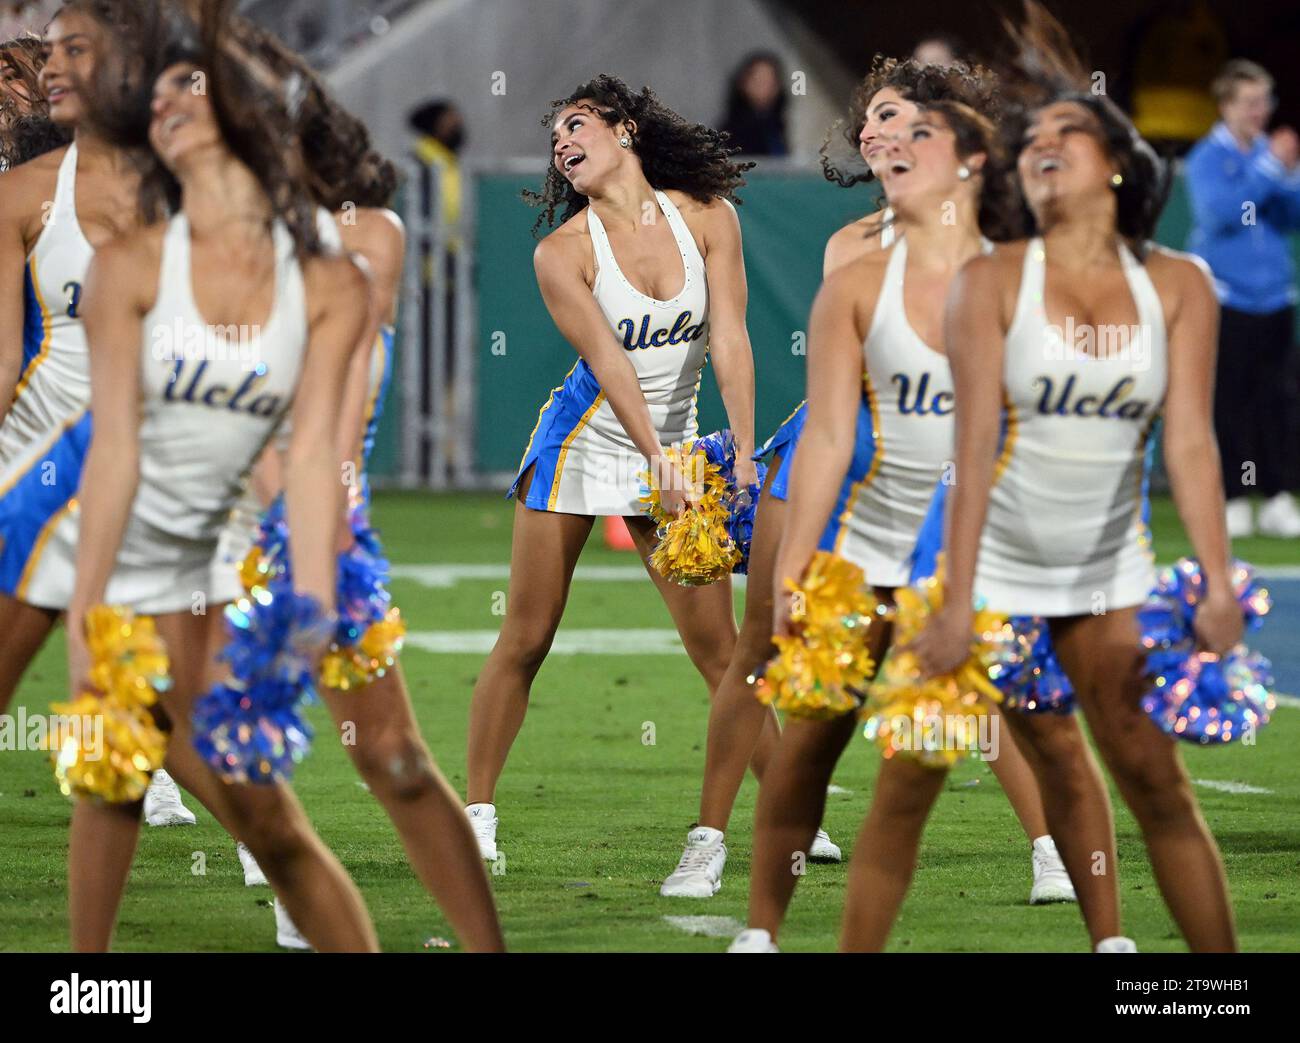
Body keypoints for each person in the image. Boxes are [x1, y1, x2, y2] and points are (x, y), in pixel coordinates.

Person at [697, 57, 1076, 915]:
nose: (870, 131)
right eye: (867, 119)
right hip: (836, 458)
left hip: (946, 474)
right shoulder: (848, 245)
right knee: (763, 644)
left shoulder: (1000, 245)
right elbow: (841, 396)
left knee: (973, 662)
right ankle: (712, 844)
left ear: (942, 134)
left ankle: (1051, 850)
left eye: (891, 116)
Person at [899, 5, 1240, 953]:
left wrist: (1214, 578)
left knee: (1153, 779)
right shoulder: (993, 280)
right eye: (1033, 138)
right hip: (997, 560)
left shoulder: (1179, 284)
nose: (1044, 145)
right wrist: (957, 596)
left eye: (1068, 133)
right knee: (938, 769)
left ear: (1117, 164)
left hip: (1109, 569)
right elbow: (969, 451)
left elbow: (1192, 446)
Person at [59, 3, 379, 952]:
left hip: (231, 561)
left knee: (268, 820)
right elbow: (112, 451)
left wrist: (314, 596)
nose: (167, 106)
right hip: (137, 561)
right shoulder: (128, 267)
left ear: (253, 117)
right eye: (156, 98)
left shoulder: (329, 280)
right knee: (107, 782)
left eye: (191, 90)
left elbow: (315, 451)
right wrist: (86, 614)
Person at [204, 21, 505, 953]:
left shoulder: (357, 237)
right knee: (209, 746)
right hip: (202, 523)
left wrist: (315, 530)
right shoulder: (187, 237)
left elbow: (345, 385)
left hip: (315, 509)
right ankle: (305, 902)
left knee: (394, 755)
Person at [465, 74, 760, 879]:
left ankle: (787, 807)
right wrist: (655, 459)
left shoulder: (707, 216)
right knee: (527, 634)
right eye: (554, 140)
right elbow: (608, 363)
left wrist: (736, 444)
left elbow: (731, 336)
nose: (563, 144)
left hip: (678, 443)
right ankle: (478, 814)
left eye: (576, 125)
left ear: (625, 130)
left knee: (722, 650)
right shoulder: (560, 252)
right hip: (584, 445)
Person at [0, 0, 195, 828]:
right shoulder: (24, 195)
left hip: (144, 453)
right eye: (41, 62)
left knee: (129, 653)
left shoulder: (190, 187)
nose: (47, 74)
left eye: (67, 54)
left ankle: (263, 836)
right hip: (33, 455)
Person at [1185, 59, 1300, 539]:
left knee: (1279, 401)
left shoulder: (1267, 156)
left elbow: (1292, 217)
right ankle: (1233, 496)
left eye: (1265, 101)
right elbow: (1220, 214)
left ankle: (1277, 497)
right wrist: (1272, 169)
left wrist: (1287, 178)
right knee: (1228, 400)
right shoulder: (1206, 158)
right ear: (1226, 105)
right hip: (1227, 299)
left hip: (1274, 298)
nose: (1260, 111)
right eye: (1250, 101)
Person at [719, 51, 787, 157]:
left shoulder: (777, 128)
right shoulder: (731, 132)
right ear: (743, 84)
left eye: (769, 82)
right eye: (758, 80)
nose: (764, 87)